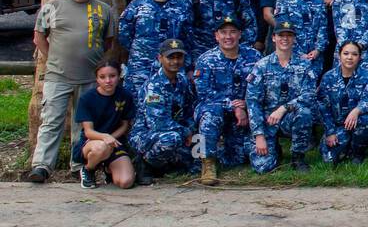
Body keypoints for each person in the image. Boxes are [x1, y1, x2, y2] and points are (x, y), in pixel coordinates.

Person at [28, 0, 118, 184]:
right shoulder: (52, 7)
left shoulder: (102, 10)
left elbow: (108, 41)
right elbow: (39, 37)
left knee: (84, 124)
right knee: (51, 120)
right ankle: (42, 165)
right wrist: (54, 58)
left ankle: (79, 164)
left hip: (89, 78)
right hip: (57, 76)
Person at [192, 14, 261, 185]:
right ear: (216, 35)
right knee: (210, 117)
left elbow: (261, 87)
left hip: (244, 112)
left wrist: (245, 104)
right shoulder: (206, 60)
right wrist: (234, 106)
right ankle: (206, 163)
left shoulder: (254, 57)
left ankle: (219, 150)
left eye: (233, 32)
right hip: (215, 109)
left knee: (237, 159)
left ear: (240, 34)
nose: (228, 37)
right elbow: (204, 94)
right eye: (223, 32)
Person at [246, 21, 317, 173]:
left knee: (305, 113)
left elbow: (309, 95)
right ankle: (273, 147)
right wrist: (259, 135)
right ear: (273, 38)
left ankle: (297, 157)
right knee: (262, 167)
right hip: (267, 120)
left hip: (289, 117)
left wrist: (284, 108)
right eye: (281, 35)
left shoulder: (304, 65)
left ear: (294, 39)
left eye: (289, 35)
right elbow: (253, 103)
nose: (285, 39)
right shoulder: (261, 66)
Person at [119, 0, 193, 104]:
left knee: (171, 103)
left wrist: (187, 66)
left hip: (172, 65)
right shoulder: (137, 5)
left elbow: (187, 37)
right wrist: (141, 51)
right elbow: (124, 34)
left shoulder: (181, 7)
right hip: (141, 66)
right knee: (137, 104)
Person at [129, 38, 199, 183]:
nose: (175, 61)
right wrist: (186, 132)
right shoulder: (154, 87)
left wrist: (192, 129)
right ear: (160, 58)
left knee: (195, 160)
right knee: (171, 139)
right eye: (170, 57)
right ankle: (145, 163)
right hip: (147, 135)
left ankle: (167, 164)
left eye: (179, 57)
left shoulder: (182, 80)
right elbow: (158, 123)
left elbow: (188, 109)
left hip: (177, 131)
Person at [72, 61, 135, 190]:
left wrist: (111, 138)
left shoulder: (125, 96)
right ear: (97, 78)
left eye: (112, 76)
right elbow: (88, 131)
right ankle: (88, 169)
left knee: (125, 182)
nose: (108, 81)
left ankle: (108, 168)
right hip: (93, 142)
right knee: (101, 147)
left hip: (115, 142)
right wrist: (105, 138)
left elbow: (125, 125)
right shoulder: (87, 98)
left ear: (119, 75)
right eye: (102, 77)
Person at [318, 41, 368, 166]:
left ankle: (357, 153)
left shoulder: (367, 76)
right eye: (346, 53)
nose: (349, 57)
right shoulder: (329, 77)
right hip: (337, 126)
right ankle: (345, 147)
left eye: (354, 54)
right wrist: (330, 132)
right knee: (329, 161)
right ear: (339, 55)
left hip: (358, 122)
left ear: (360, 57)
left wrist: (356, 111)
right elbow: (323, 107)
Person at [272, 0, 329, 79]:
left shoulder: (317, 0)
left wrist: (318, 49)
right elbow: (283, 30)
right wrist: (298, 53)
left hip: (315, 56)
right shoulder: (283, 1)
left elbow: (323, 27)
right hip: (292, 55)